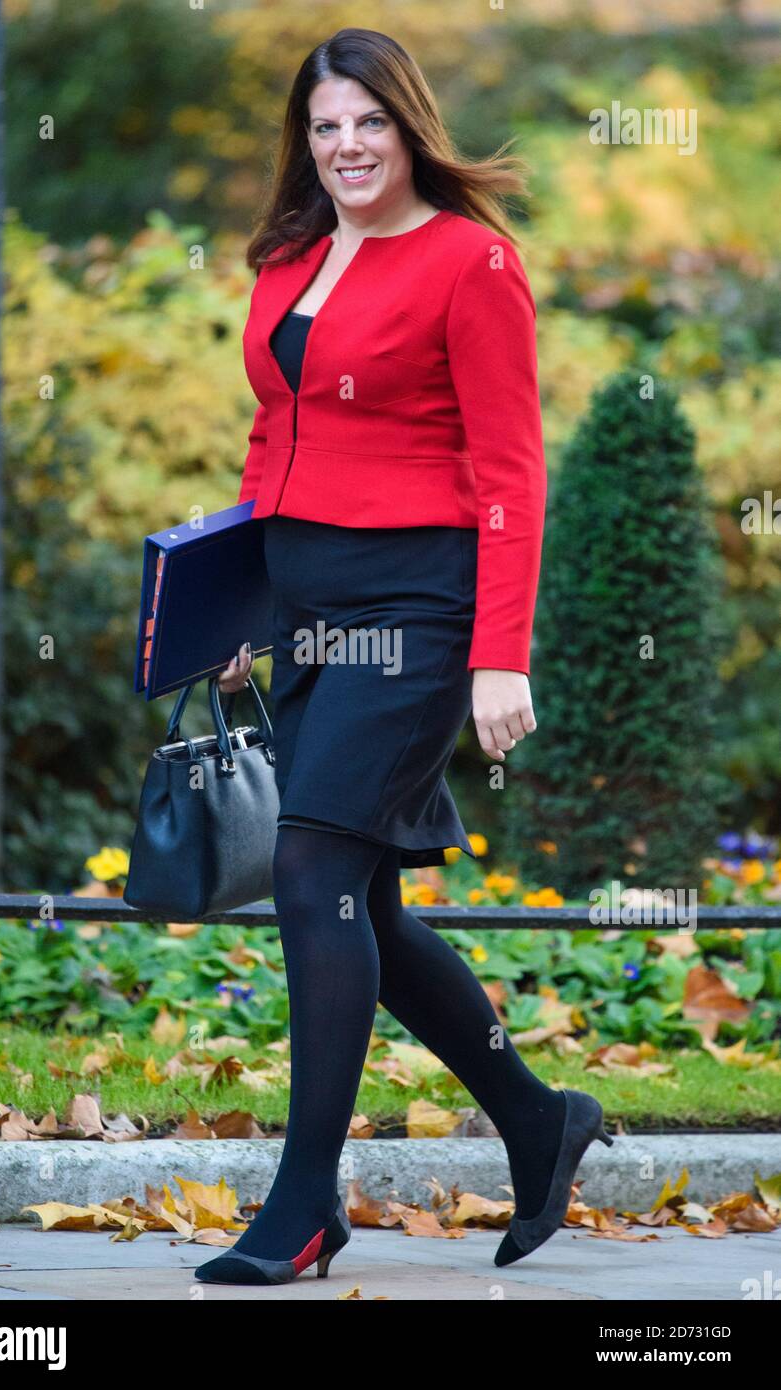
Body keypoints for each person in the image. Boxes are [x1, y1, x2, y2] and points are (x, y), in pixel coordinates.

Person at [195, 26, 613, 1287]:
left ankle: (303, 1202)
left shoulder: (469, 261)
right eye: (324, 128)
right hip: (307, 615)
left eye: (366, 123)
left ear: (406, 124)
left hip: (420, 611)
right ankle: (541, 1121)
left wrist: (500, 656)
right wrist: (234, 608)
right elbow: (274, 444)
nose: (345, 147)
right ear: (303, 142)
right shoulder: (290, 256)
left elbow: (508, 470)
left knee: (310, 856)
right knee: (358, 899)